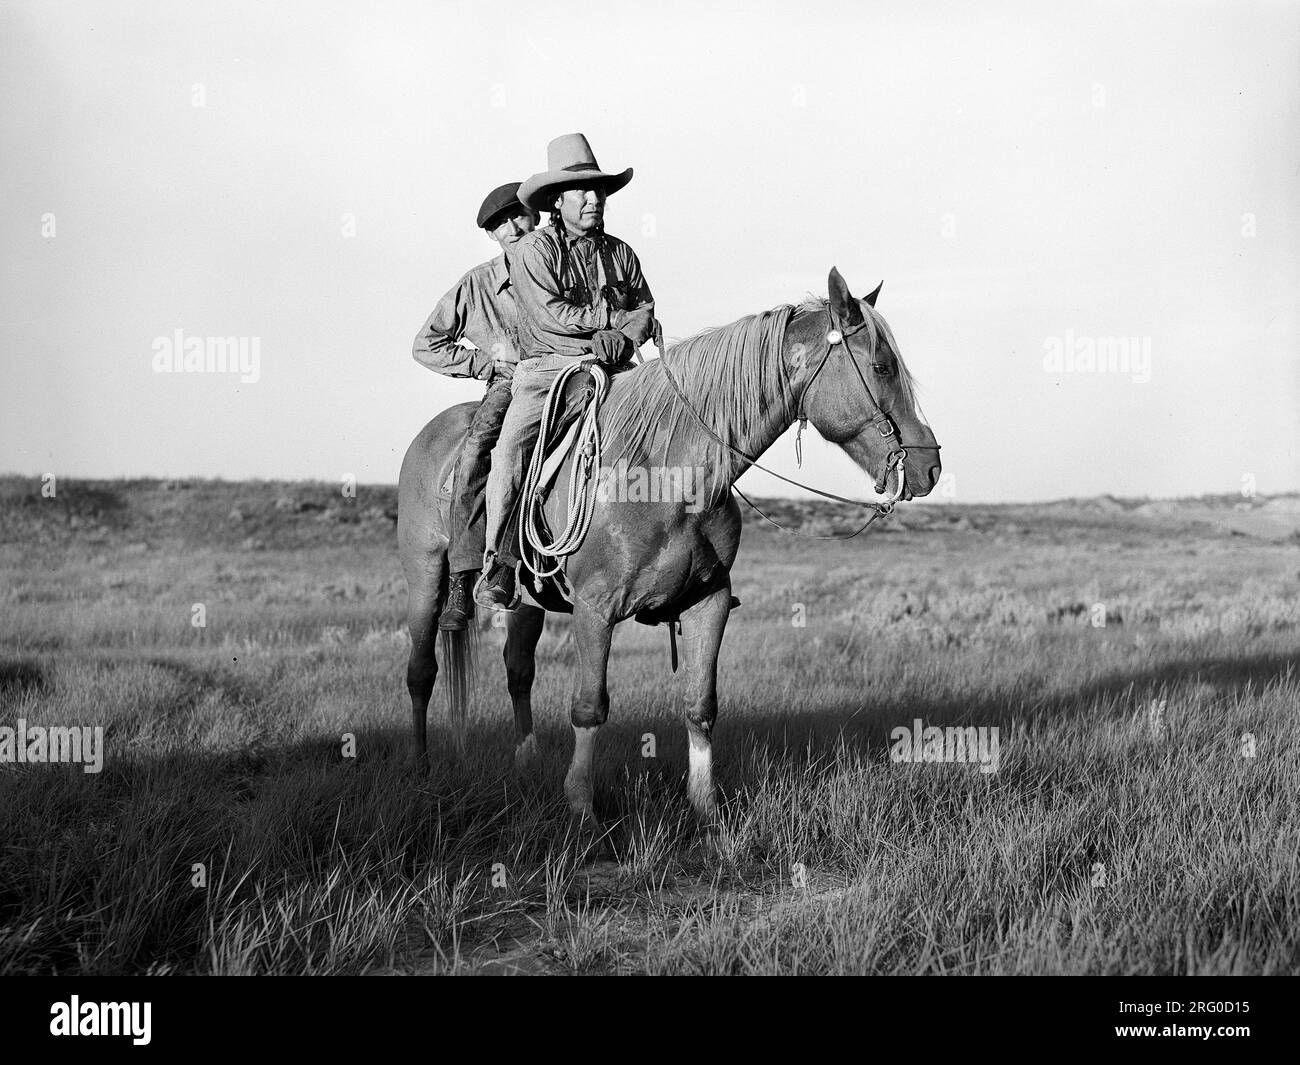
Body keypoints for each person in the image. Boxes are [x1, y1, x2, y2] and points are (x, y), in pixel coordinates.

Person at [476, 134, 656, 611]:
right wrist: (608, 326)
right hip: (548, 371)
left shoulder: (621, 253)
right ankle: (501, 561)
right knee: (512, 447)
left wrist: (628, 336)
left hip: (615, 366)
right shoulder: (534, 250)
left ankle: (676, 563)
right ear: (557, 200)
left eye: (598, 191)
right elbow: (551, 315)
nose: (594, 199)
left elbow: (644, 306)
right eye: (582, 192)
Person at [412, 181, 539, 629]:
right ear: (491, 235)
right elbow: (426, 344)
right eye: (500, 223)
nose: (513, 227)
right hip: (511, 385)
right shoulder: (478, 284)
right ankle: (466, 577)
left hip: (575, 377)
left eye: (519, 215)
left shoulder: (562, 266)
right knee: (476, 456)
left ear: (536, 216)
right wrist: (483, 363)